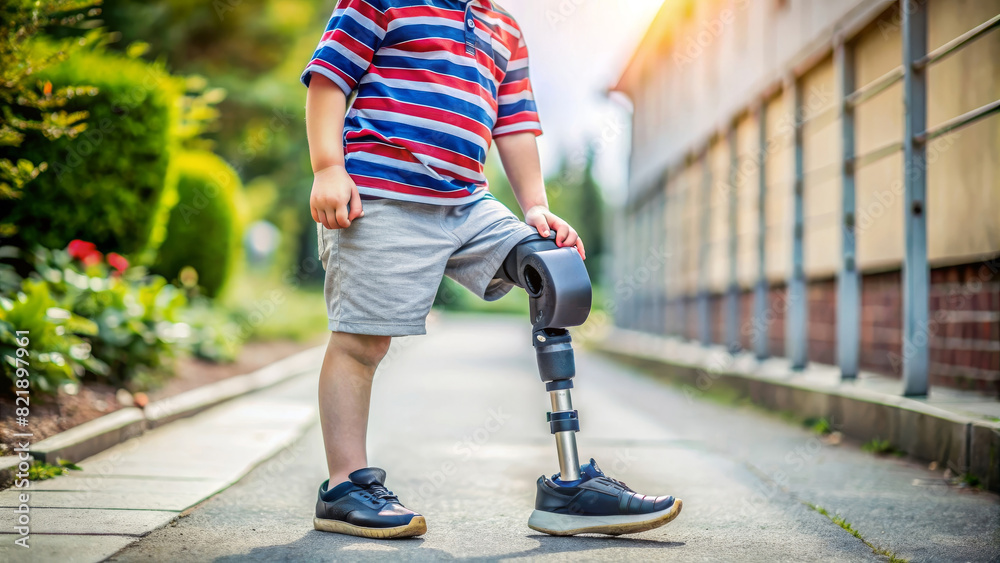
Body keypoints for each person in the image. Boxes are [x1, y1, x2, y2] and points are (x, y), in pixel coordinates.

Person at [302, 0, 681, 539]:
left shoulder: (505, 26)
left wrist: (535, 206)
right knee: (362, 343)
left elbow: (515, 123)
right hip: (382, 196)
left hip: (467, 202)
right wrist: (328, 168)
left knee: (551, 270)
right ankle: (344, 487)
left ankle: (569, 487)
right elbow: (328, 77)